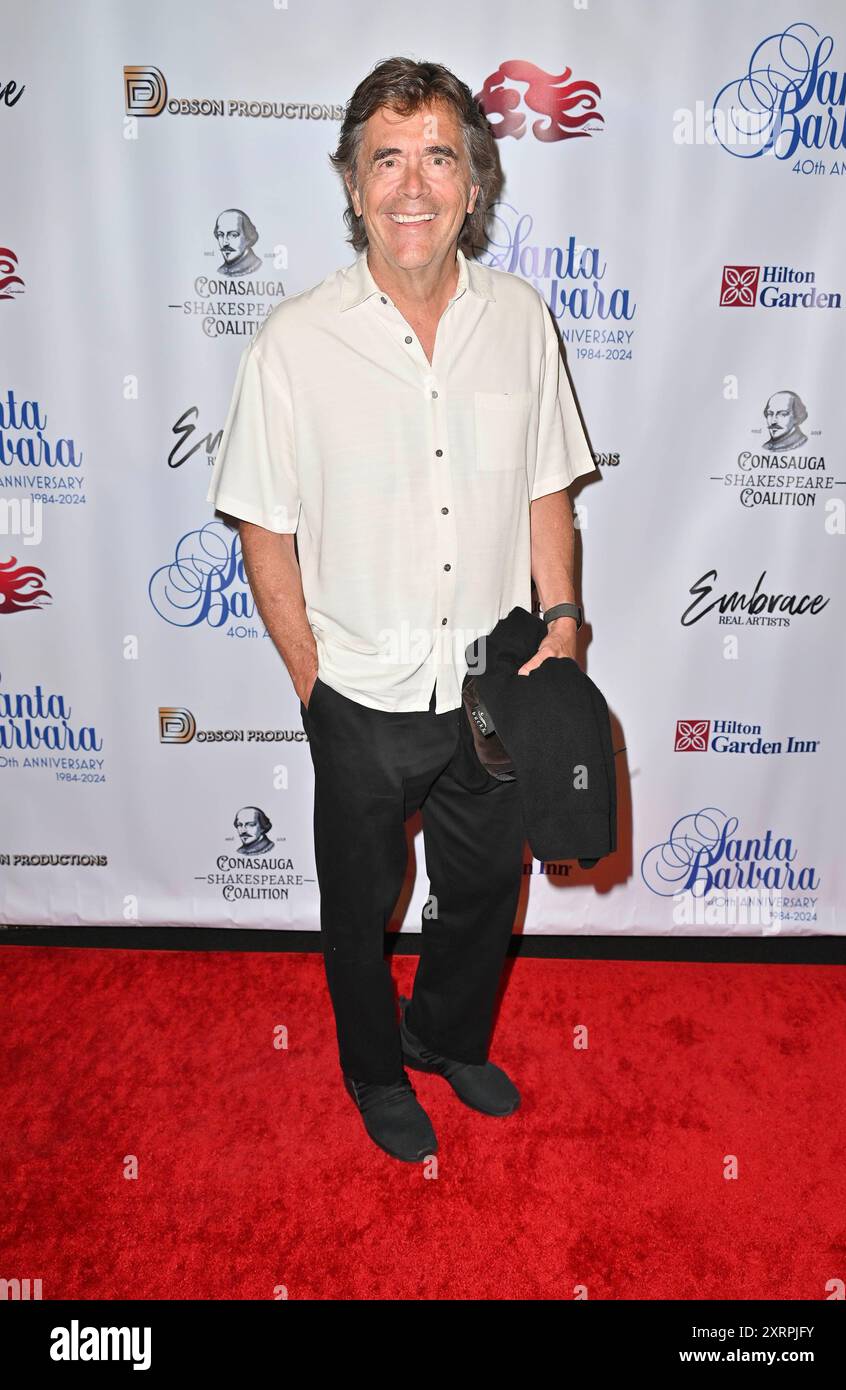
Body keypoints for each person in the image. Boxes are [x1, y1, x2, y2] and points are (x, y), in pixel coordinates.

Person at [206, 56, 597, 1163]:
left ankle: (444, 1034)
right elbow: (264, 526)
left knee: (481, 887)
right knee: (362, 906)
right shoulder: (293, 342)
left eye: (439, 156)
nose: (413, 185)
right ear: (350, 182)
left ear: (475, 182)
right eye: (387, 158)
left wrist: (561, 622)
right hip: (361, 690)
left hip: (493, 681)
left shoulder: (521, 319)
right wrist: (310, 679)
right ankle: (375, 1067)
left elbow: (545, 486)